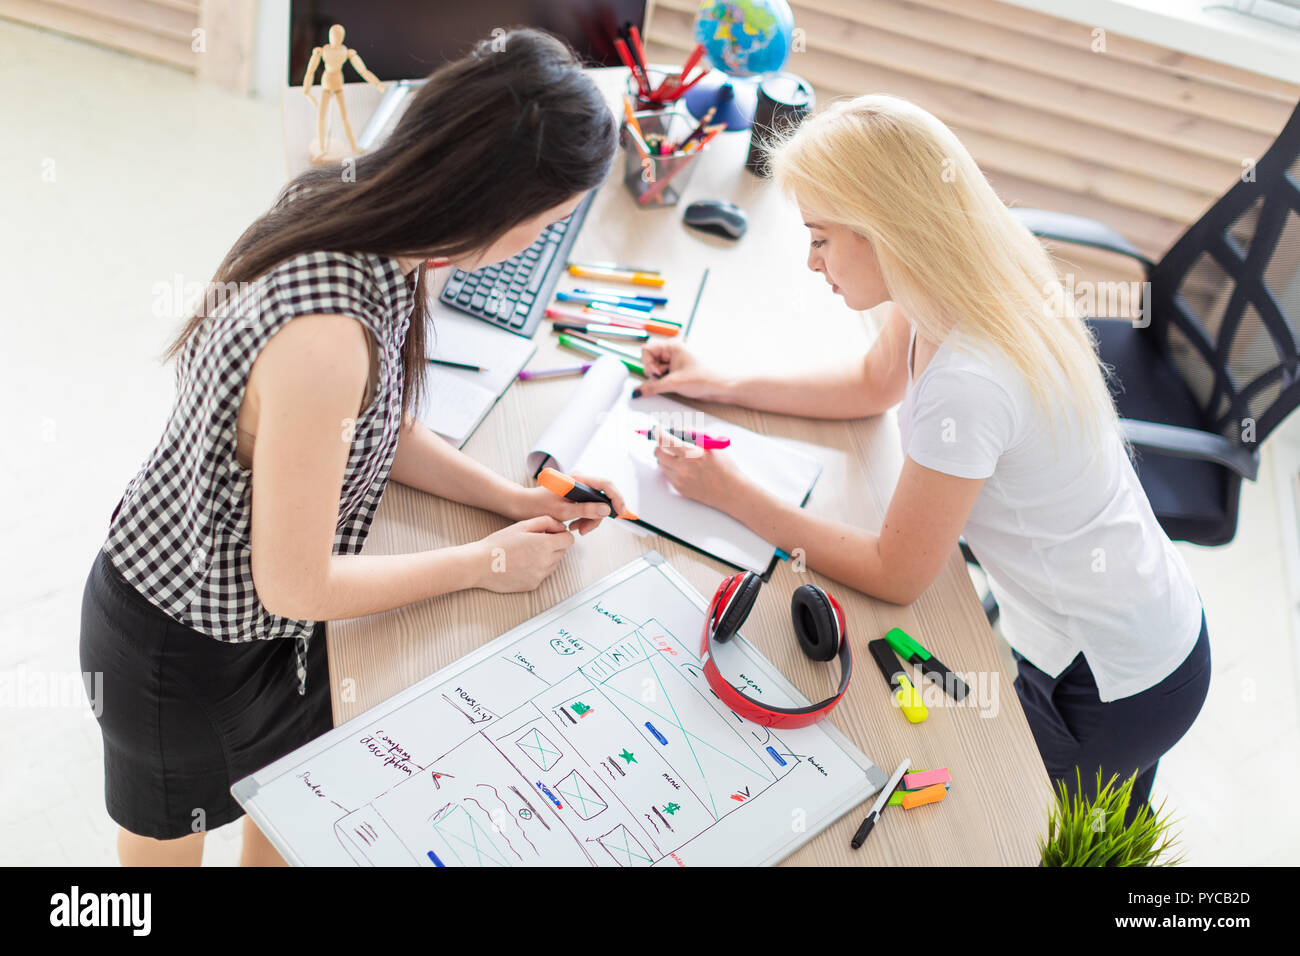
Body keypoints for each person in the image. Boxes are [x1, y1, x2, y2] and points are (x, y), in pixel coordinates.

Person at [79, 28, 626, 866]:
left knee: (295, 808)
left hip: (283, 627)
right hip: (184, 645)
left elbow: (378, 430)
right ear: (492, 206)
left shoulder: (385, 227)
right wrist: (483, 562)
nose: (535, 244)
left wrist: (512, 500)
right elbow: (297, 583)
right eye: (544, 225)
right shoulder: (326, 334)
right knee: (174, 848)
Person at [633, 94, 1210, 823]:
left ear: (885, 233)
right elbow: (872, 386)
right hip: (1146, 620)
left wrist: (727, 490)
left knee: (990, 824)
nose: (811, 263)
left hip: (1111, 682)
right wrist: (717, 379)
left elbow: (897, 574)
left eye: (819, 238)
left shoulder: (971, 380)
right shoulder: (955, 276)